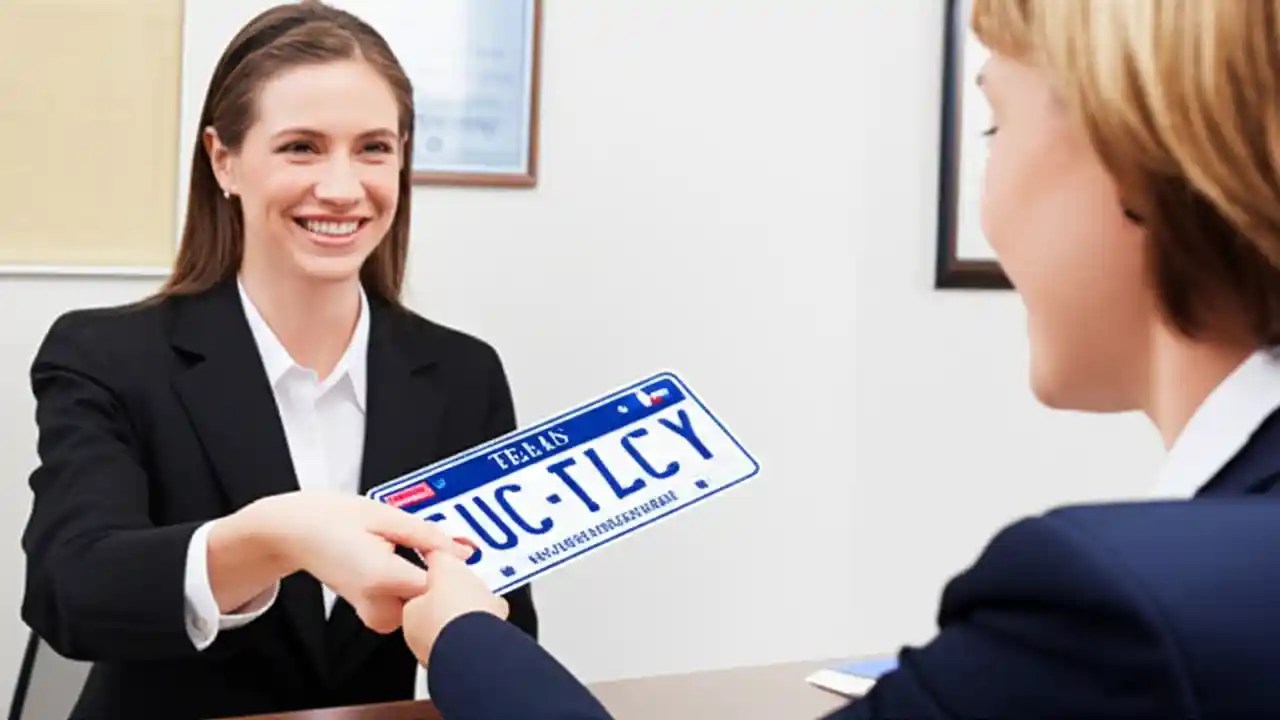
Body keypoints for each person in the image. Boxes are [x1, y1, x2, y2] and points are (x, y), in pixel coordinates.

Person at [394, 0, 1280, 717]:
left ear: (1130, 158)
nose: (990, 203)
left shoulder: (1111, 604)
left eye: (994, 127)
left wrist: (468, 637)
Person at [19, 2, 537, 718]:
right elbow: (69, 592)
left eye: (374, 148)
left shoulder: (462, 374)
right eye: (301, 146)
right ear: (222, 159)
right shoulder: (106, 356)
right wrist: (278, 537)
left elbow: (504, 620)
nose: (342, 187)